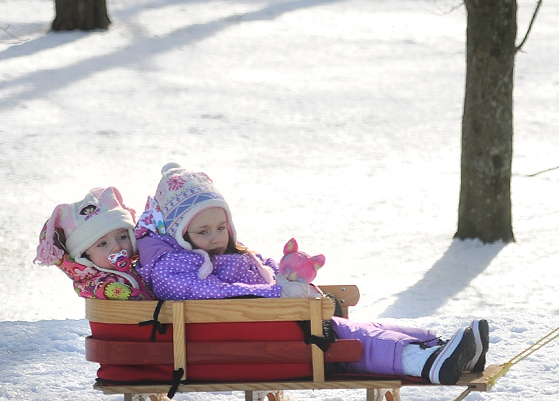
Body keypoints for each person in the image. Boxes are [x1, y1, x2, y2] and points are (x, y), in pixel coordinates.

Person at [134, 162, 490, 386]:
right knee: (354, 341)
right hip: (261, 338)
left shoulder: (230, 253)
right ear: (178, 234)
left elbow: (267, 270)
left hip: (278, 324)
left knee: (366, 329)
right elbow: (219, 298)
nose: (215, 238)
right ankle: (426, 363)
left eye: (220, 227)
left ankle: (441, 348)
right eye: (202, 232)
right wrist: (281, 296)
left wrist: (290, 278)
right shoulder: (172, 269)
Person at [35, 186, 153, 301]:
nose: (116, 247)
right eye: (102, 244)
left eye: (122, 237)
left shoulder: (141, 265)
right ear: (84, 257)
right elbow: (104, 291)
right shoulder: (94, 282)